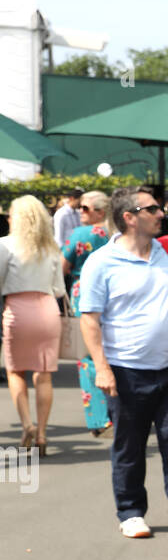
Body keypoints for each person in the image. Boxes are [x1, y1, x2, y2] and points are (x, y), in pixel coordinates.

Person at [78, 186, 168, 540]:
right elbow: (89, 319)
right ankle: (131, 511)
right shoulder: (100, 263)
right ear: (129, 217)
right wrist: (101, 367)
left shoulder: (166, 250)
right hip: (126, 370)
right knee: (129, 445)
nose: (161, 213)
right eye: (152, 208)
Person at [0, 194, 65, 454]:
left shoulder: (5, 244)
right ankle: (42, 433)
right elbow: (59, 289)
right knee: (44, 373)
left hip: (18, 309)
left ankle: (27, 423)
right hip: (48, 309)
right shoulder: (51, 248)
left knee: (16, 371)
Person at [60, 190, 113, 436]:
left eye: (85, 208)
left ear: (100, 211)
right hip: (114, 292)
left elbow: (63, 265)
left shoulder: (81, 234)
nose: (80, 211)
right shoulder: (116, 232)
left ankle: (100, 417)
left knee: (88, 354)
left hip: (85, 293)